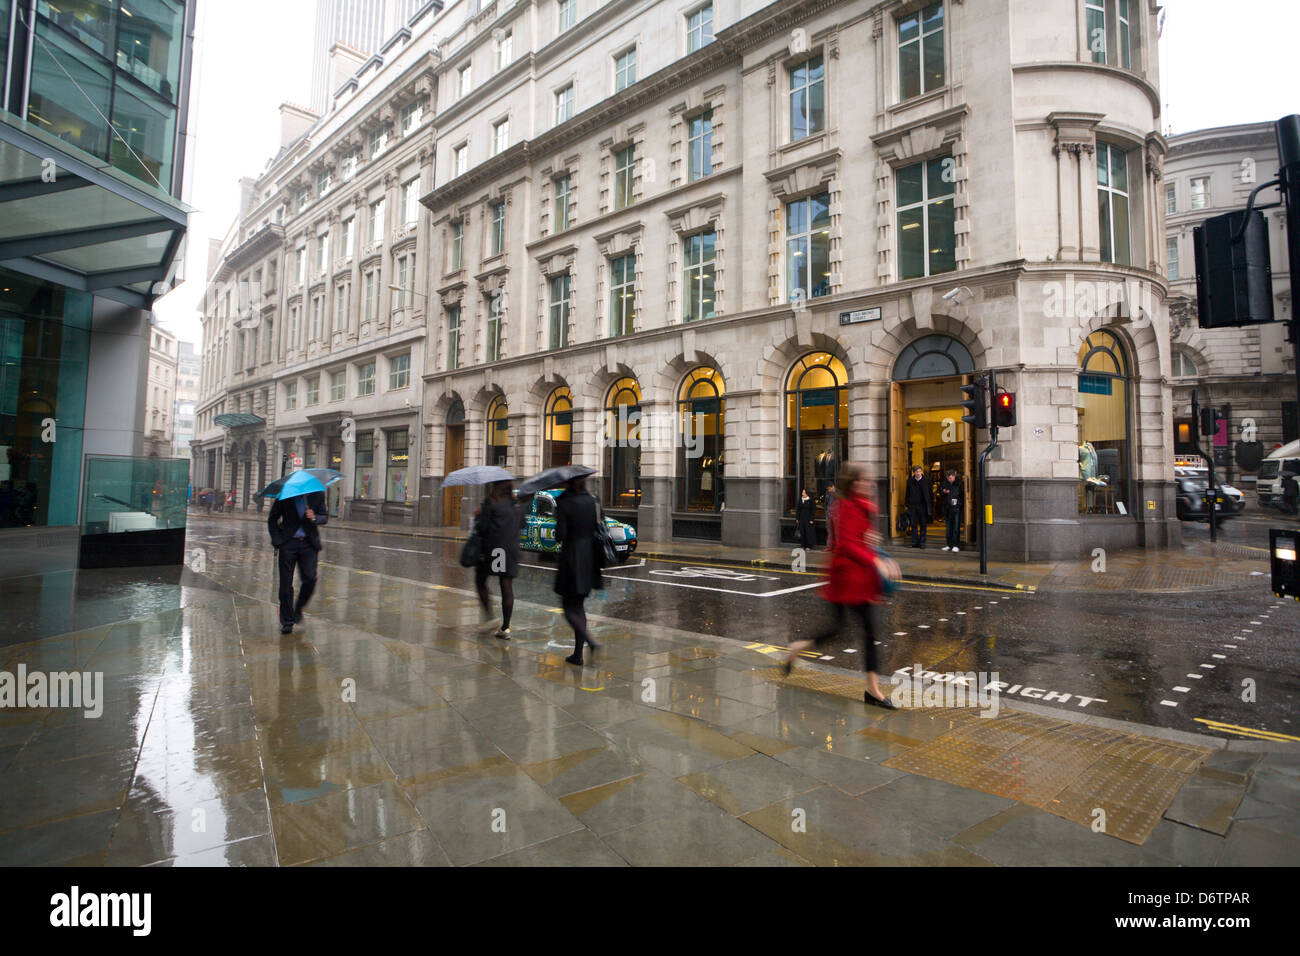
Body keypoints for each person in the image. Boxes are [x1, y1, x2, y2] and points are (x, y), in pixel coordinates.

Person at [783, 462, 898, 709]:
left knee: (859, 632)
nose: (870, 484)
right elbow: (846, 544)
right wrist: (876, 560)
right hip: (847, 579)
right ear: (854, 483)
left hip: (860, 579)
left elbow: (862, 540)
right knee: (845, 631)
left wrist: (877, 551)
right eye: (865, 481)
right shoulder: (846, 507)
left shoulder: (865, 507)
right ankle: (872, 689)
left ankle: (873, 689)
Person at [554, 474, 604, 666]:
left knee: (567, 608)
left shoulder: (564, 503)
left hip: (572, 557)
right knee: (579, 606)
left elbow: (560, 535)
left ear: (569, 482)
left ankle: (590, 642)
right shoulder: (592, 501)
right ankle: (577, 654)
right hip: (589, 556)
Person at [267, 489, 328, 634]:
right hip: (288, 544)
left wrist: (314, 518)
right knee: (286, 584)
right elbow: (272, 519)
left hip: (309, 544)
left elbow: (324, 517)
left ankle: (298, 608)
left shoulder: (318, 494)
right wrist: (277, 540)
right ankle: (287, 621)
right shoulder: (286, 495)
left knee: (310, 579)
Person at [474, 480, 522, 639]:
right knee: (506, 584)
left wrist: (479, 515)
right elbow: (523, 524)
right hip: (512, 549)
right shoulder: (516, 504)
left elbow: (483, 528)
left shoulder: (491, 502)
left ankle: (490, 616)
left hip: (496, 549)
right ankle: (505, 628)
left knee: (480, 580)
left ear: (495, 486)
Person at [905, 465, 932, 549]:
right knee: (914, 525)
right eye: (917, 472)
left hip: (923, 506)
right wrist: (907, 504)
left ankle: (922, 542)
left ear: (922, 472)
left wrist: (929, 503)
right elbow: (907, 493)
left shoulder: (926, 481)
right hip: (913, 506)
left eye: (920, 471)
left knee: (923, 524)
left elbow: (930, 493)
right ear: (914, 472)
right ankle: (914, 542)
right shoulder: (910, 481)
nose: (918, 473)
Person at [938, 468, 964, 551]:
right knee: (948, 528)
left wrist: (959, 503)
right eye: (948, 478)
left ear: (954, 476)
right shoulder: (944, 483)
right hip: (947, 508)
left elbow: (963, 495)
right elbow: (940, 492)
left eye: (951, 477)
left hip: (956, 508)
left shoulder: (959, 483)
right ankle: (949, 544)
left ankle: (956, 545)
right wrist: (944, 491)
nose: (949, 479)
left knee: (956, 527)